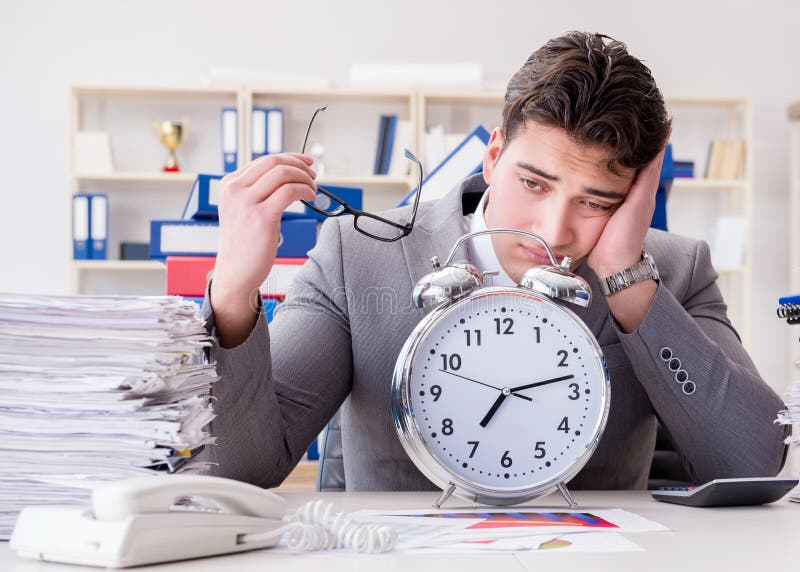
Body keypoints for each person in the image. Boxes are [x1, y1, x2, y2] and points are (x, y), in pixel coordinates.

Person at [202, 31, 788, 491]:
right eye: (534, 184)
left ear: (638, 193)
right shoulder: (356, 258)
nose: (553, 230)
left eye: (595, 202)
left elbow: (753, 463)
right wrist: (232, 288)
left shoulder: (676, 272)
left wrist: (629, 286)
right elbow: (244, 469)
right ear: (494, 153)